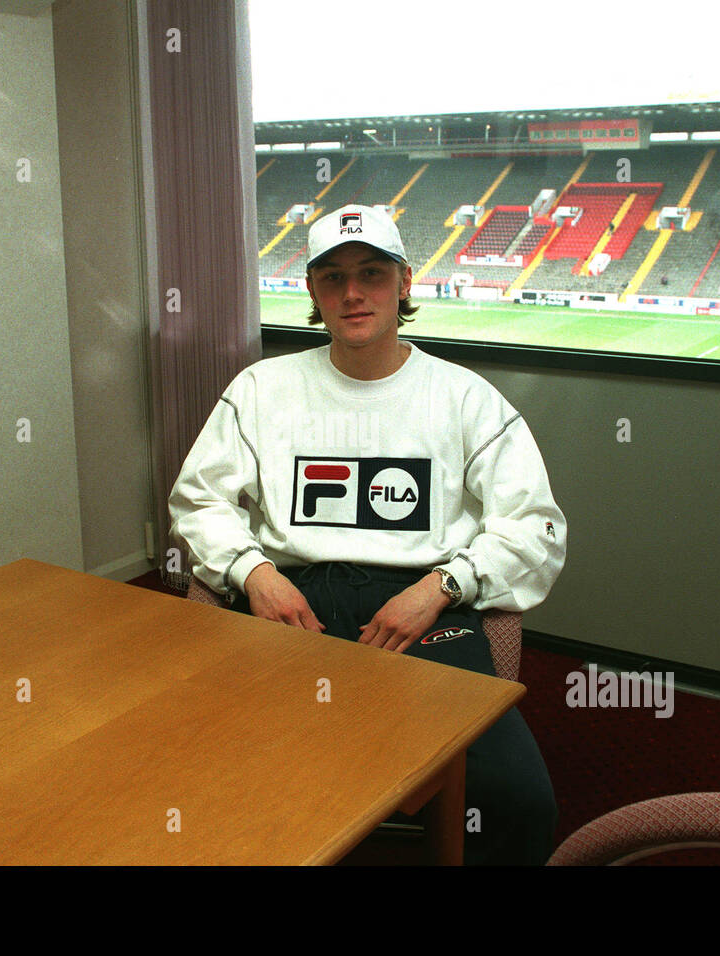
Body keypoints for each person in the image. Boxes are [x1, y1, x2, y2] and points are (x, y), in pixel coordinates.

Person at [168, 203, 567, 864]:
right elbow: (199, 499)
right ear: (313, 291)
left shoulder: (466, 397)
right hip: (287, 601)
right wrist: (252, 573)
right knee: (196, 771)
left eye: (372, 274)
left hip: (419, 609)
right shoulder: (263, 387)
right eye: (332, 277)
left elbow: (536, 528)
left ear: (405, 283)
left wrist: (443, 585)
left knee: (516, 799)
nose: (352, 293)